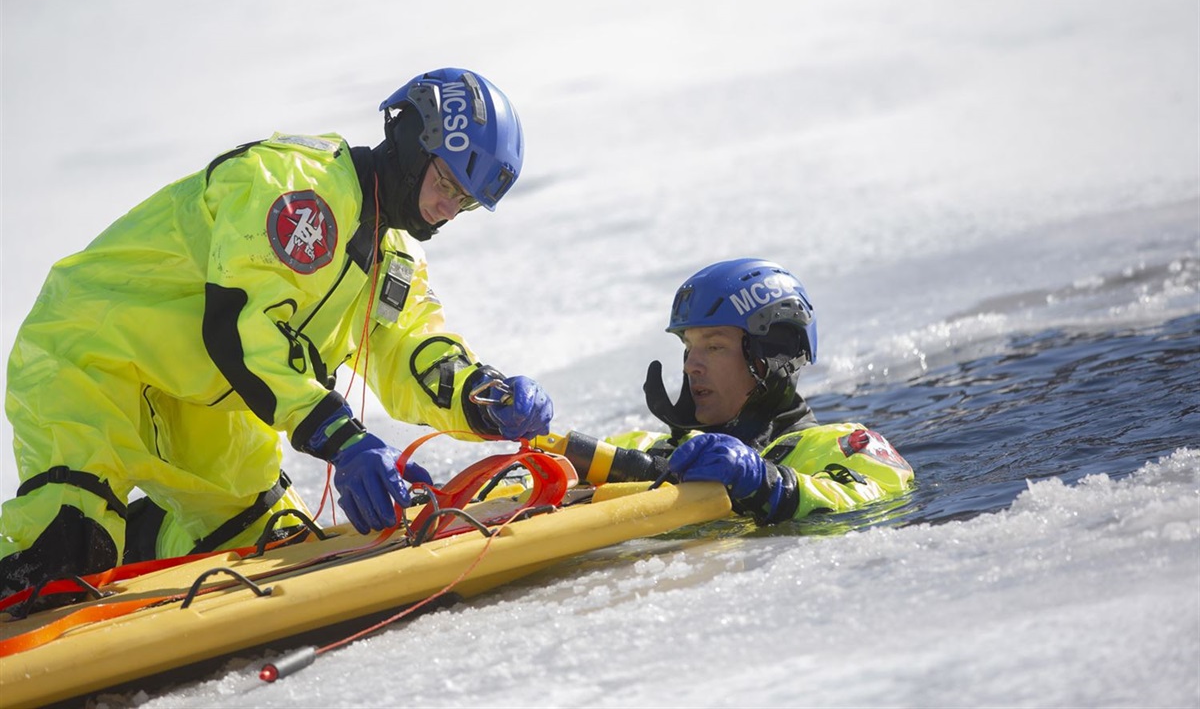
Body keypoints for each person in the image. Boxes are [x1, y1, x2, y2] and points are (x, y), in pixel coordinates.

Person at [0, 67, 554, 597]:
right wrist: (346, 441)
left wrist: (484, 396)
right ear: (414, 141)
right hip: (92, 354)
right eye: (446, 183)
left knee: (261, 542)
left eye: (463, 201)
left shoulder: (392, 257)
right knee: (66, 549)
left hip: (206, 398)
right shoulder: (297, 189)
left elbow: (408, 347)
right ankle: (79, 550)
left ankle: (130, 542)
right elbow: (243, 330)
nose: (446, 210)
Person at [546, 258, 914, 525]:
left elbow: (872, 498)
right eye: (689, 347)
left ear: (772, 354)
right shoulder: (645, 447)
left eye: (715, 346)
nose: (691, 365)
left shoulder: (843, 445)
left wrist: (762, 482)